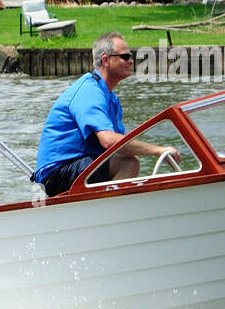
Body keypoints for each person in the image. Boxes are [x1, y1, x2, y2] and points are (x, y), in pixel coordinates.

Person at [33, 31, 179, 197]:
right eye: (125, 56)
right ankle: (113, 212)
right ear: (106, 60)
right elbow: (109, 141)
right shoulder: (89, 92)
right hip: (55, 175)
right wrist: (158, 150)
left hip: (75, 167)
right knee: (127, 164)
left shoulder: (110, 98)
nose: (131, 61)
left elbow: (117, 147)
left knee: (125, 158)